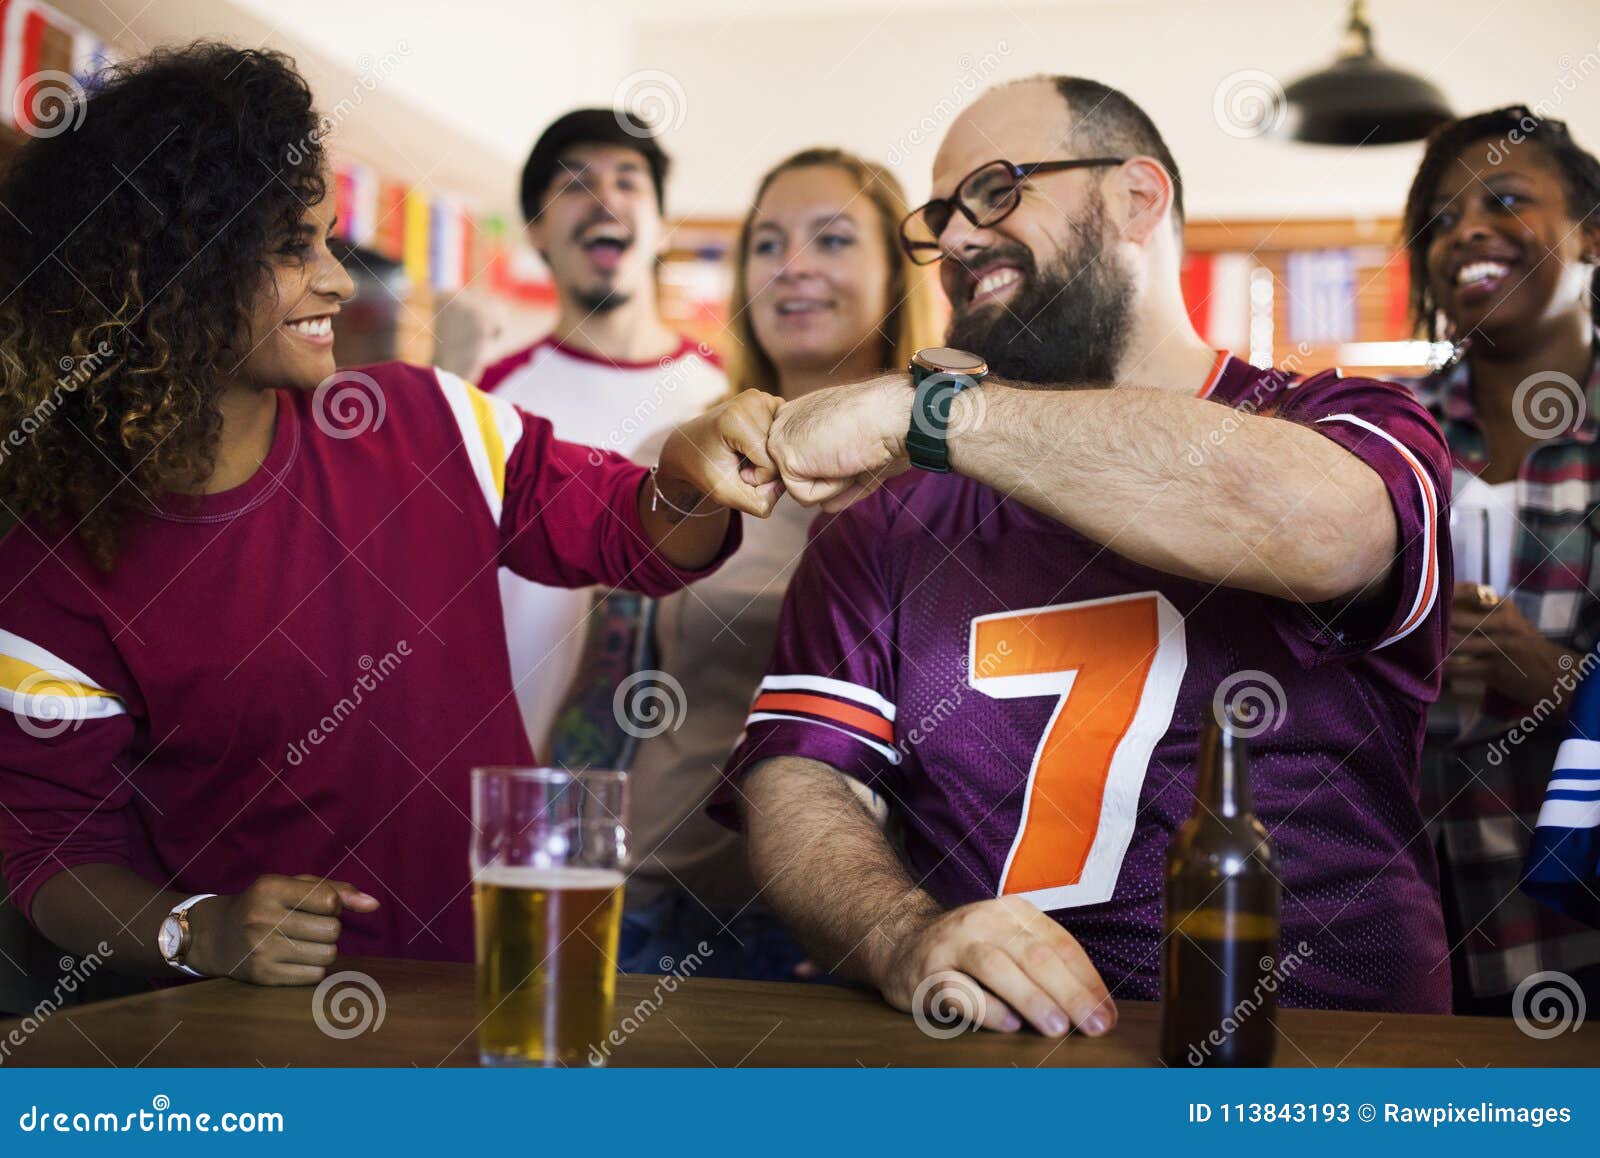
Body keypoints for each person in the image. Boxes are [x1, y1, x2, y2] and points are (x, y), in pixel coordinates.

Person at [0, 43, 780, 986]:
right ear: (168, 271)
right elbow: (49, 853)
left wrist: (685, 480)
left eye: (326, 239)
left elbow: (630, 531)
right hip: (259, 1046)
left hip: (500, 1000)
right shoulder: (56, 565)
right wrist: (197, 932)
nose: (335, 280)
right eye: (293, 247)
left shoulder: (423, 421)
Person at [717, 75, 1454, 1036]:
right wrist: (904, 937)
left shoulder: (1343, 422)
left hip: (1338, 1056)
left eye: (994, 191)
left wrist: (928, 410)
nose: (959, 240)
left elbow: (1322, 529)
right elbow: (801, 779)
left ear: (1138, 197)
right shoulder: (886, 519)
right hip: (999, 1065)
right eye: (940, 217)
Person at [550, 148, 940, 979]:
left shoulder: (954, 476)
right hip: (664, 907)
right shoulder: (682, 458)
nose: (792, 269)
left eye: (831, 241)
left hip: (875, 930)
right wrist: (557, 878)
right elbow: (601, 702)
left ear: (896, 274)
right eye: (767, 245)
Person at [1400, 106, 1600, 1014]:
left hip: (1580, 936)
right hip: (1412, 940)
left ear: (1591, 234)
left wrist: (1557, 682)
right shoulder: (1380, 437)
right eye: (1441, 219)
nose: (1468, 231)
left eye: (1506, 200)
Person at [480, 109, 727, 756]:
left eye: (628, 180)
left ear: (662, 226)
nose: (604, 199)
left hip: (690, 789)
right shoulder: (490, 399)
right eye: (573, 185)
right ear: (535, 229)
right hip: (518, 774)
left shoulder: (725, 400)